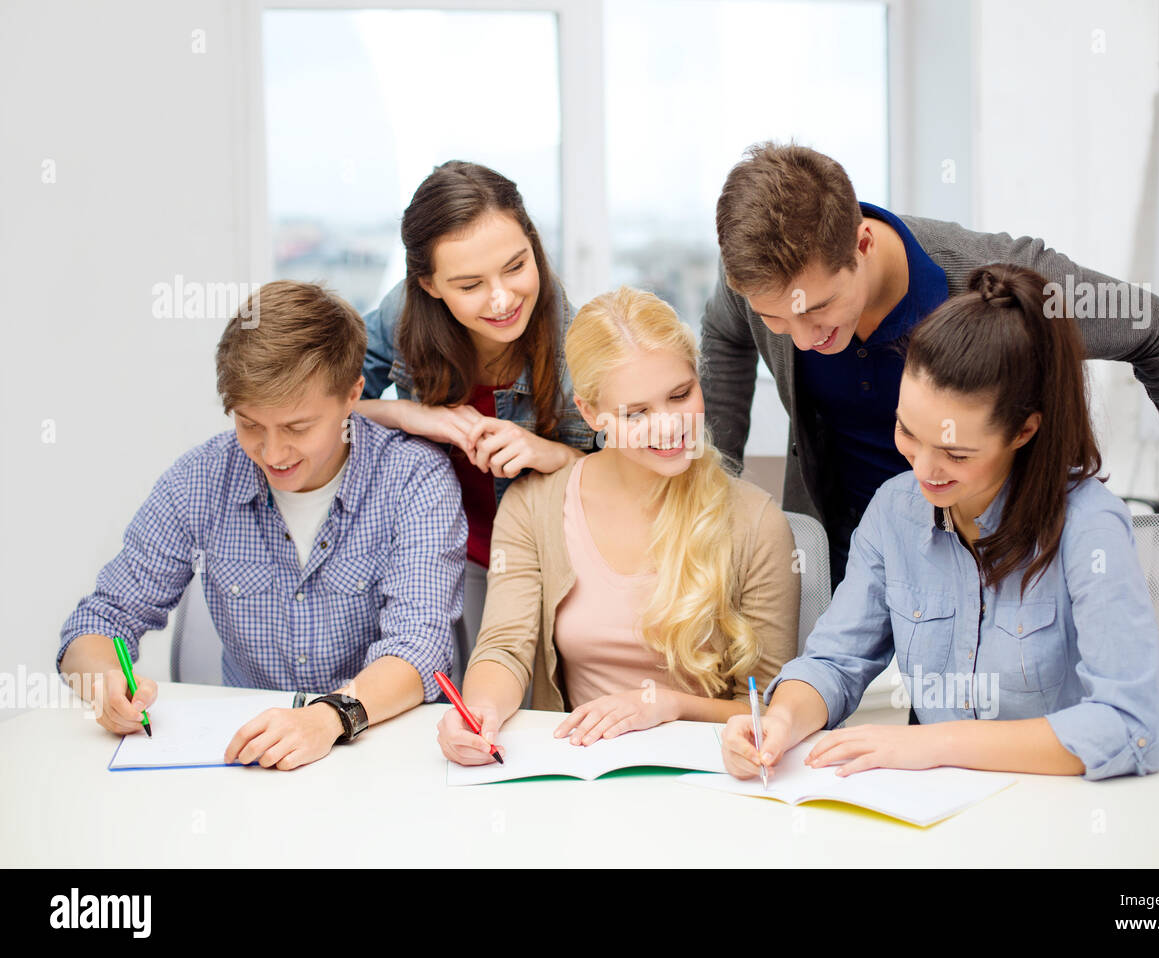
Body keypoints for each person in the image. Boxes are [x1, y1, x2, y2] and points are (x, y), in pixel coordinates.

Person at [702, 142, 1159, 587]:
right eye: (777, 321)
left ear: (861, 243)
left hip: (997, 579)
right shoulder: (764, 288)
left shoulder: (1000, 279)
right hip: (846, 567)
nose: (802, 339)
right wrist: (718, 490)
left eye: (821, 310)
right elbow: (726, 333)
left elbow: (1154, 327)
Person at [722, 263, 1159, 781]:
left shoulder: (1089, 528)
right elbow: (833, 663)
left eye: (956, 453)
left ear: (1024, 431)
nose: (923, 470)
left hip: (1055, 813)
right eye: (907, 432)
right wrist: (779, 720)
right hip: (935, 813)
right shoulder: (895, 510)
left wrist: (937, 744)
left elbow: (1133, 726)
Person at [57, 281, 467, 770]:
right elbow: (99, 621)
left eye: (297, 428)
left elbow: (419, 645)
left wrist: (326, 717)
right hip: (254, 764)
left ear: (353, 394)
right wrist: (103, 680)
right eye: (251, 424)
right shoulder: (203, 478)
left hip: (385, 754)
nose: (272, 454)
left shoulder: (415, 480)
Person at [437, 287, 801, 765]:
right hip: (582, 776)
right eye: (637, 413)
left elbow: (769, 705)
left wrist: (667, 706)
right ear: (590, 413)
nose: (670, 427)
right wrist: (480, 708)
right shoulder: (534, 507)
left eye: (680, 394)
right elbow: (505, 647)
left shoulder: (755, 523)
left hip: (712, 776)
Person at [357, 161, 596, 677]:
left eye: (516, 266)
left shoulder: (584, 345)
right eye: (470, 285)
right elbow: (319, 409)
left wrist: (555, 455)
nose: (503, 299)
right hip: (436, 566)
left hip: (556, 575)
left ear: (533, 243)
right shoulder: (402, 315)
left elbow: (648, 487)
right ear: (429, 284)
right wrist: (410, 413)